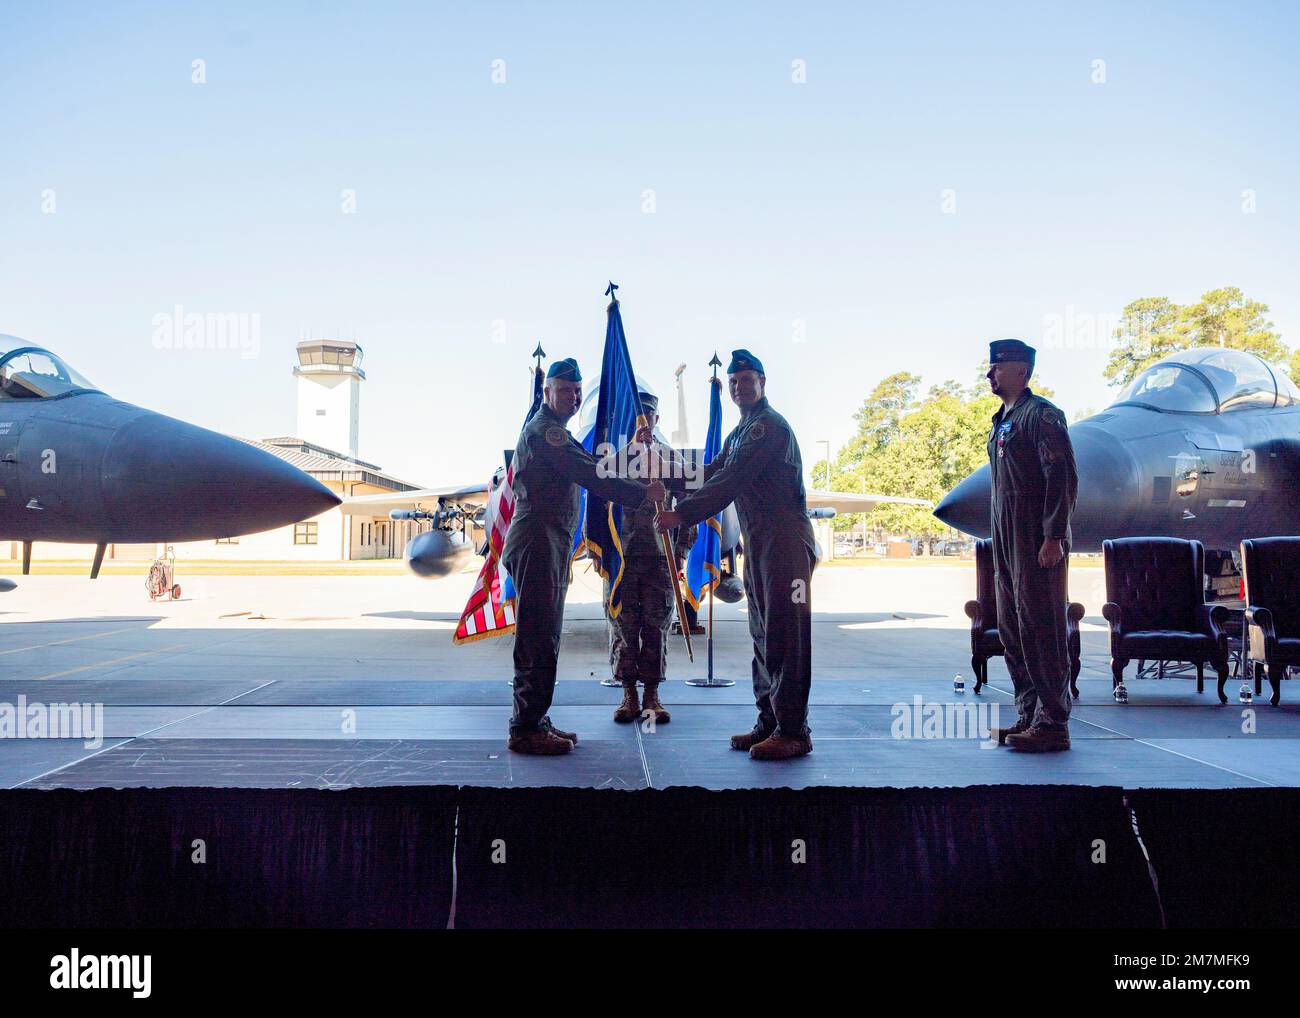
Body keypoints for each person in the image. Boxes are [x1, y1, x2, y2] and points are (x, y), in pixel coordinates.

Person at [655, 349, 816, 760]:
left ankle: (794, 730)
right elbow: (711, 471)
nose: (738, 387)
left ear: (762, 383)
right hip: (761, 545)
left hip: (785, 546)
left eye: (746, 379)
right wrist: (663, 470)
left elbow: (728, 482)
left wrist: (681, 515)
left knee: (786, 638)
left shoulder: (767, 429)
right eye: (733, 382)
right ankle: (770, 722)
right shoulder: (742, 430)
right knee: (763, 637)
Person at [502, 358, 664, 755]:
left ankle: (536, 718)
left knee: (546, 634)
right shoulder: (546, 433)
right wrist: (643, 494)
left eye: (577, 391)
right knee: (537, 635)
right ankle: (525, 727)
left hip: (548, 542)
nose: (574, 397)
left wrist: (627, 459)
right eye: (565, 390)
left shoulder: (556, 431)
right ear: (547, 392)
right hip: (539, 541)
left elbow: (593, 466)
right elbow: (591, 475)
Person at [984, 339, 1079, 752]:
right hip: (1008, 543)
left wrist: (1053, 535)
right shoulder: (1004, 420)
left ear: (1020, 371)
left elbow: (1061, 477)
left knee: (1042, 629)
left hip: (1036, 542)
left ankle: (1053, 721)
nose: (989, 374)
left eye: (997, 367)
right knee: (1013, 629)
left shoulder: (1041, 416)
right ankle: (1028, 713)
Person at [604, 391, 695, 725]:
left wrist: (682, 552)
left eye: (650, 415)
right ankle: (628, 693)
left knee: (656, 628)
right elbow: (597, 503)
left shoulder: (671, 461)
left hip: (660, 559)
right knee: (624, 628)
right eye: (638, 416)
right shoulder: (615, 462)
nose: (644, 421)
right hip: (623, 560)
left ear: (658, 419)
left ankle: (652, 695)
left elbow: (688, 509)